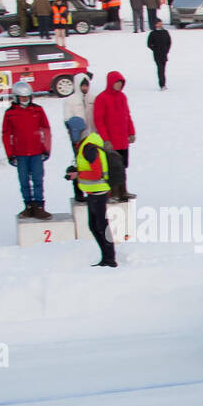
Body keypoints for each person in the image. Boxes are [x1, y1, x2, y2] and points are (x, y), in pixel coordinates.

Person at [2, 80, 52, 220]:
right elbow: (6, 134)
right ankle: (28, 206)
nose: (25, 100)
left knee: (38, 180)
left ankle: (39, 206)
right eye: (22, 98)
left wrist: (46, 149)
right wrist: (10, 154)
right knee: (24, 181)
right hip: (20, 153)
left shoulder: (37, 110)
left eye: (27, 97)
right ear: (16, 98)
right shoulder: (10, 113)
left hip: (36, 152)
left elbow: (46, 130)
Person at [67, 126, 115, 266]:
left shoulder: (89, 148)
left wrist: (78, 175)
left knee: (99, 225)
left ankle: (109, 258)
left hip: (98, 191)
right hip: (93, 191)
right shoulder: (86, 146)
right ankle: (107, 257)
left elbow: (96, 173)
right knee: (94, 226)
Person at [93, 70, 135, 200]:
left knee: (123, 165)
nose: (118, 85)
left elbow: (127, 116)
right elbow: (98, 120)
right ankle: (114, 192)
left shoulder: (122, 97)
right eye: (116, 83)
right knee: (113, 167)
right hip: (111, 141)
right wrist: (105, 139)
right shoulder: (101, 98)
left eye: (120, 83)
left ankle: (123, 190)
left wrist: (131, 132)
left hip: (123, 140)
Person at [62, 72, 95, 198]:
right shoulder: (70, 100)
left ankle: (92, 189)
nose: (84, 88)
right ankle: (78, 192)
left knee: (92, 163)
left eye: (86, 86)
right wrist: (74, 133)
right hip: (78, 138)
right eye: (82, 86)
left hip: (92, 136)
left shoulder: (93, 98)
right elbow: (67, 119)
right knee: (79, 164)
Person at [147, 19, 171, 90]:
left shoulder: (165, 32)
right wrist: (154, 49)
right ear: (155, 24)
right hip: (157, 55)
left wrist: (167, 50)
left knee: (163, 69)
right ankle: (162, 84)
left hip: (164, 54)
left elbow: (169, 42)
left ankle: (163, 84)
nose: (160, 25)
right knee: (160, 69)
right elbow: (149, 44)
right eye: (158, 23)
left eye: (161, 23)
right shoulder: (153, 33)